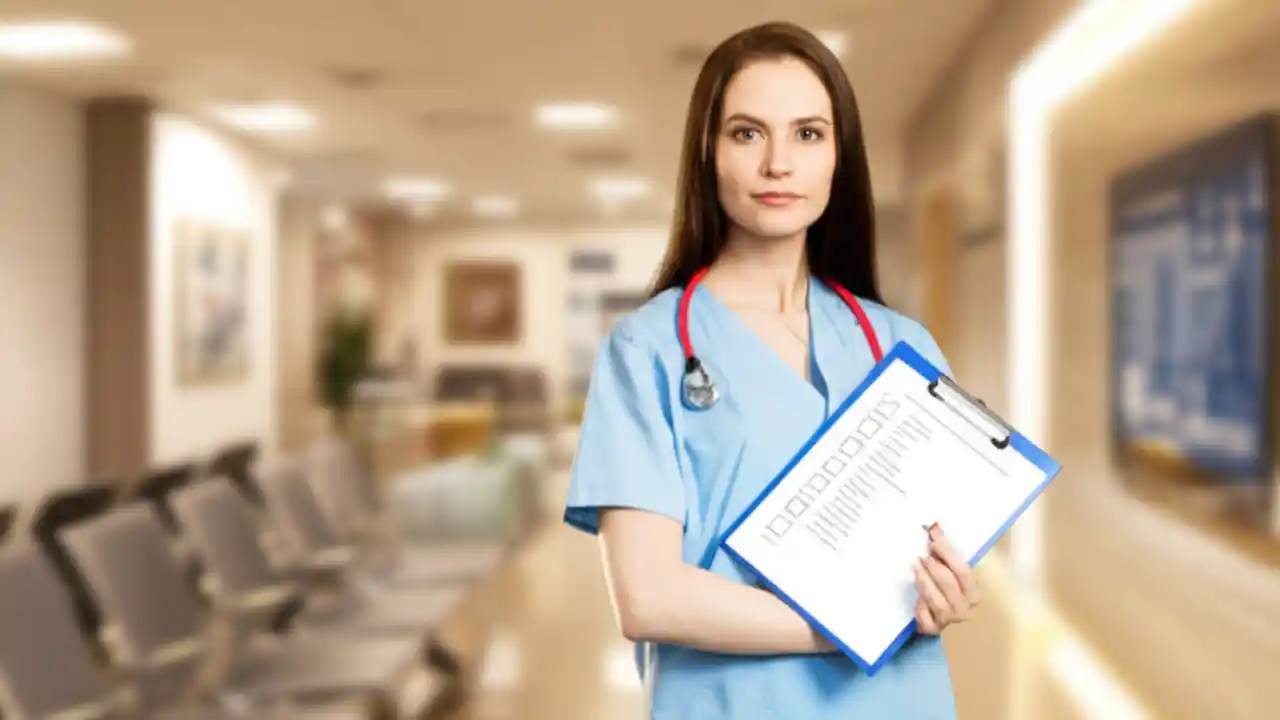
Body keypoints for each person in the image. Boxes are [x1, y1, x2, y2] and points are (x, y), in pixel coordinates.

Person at [564, 21, 982, 719]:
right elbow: (649, 597)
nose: (778, 164)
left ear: (840, 157)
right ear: (708, 152)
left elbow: (947, 551)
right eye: (747, 133)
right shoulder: (648, 349)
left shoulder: (901, 345)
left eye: (808, 134)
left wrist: (950, 592)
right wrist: (856, 622)